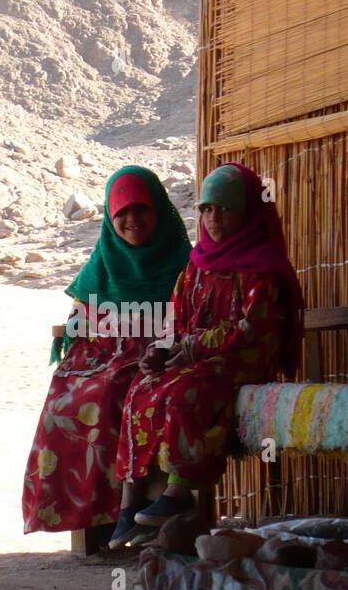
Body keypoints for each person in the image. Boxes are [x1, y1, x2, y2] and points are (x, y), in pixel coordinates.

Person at [112, 161, 304, 539]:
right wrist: (161, 351)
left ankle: (180, 488)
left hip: (244, 360)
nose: (214, 218)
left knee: (188, 390)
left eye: (225, 208)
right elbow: (177, 320)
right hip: (200, 358)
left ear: (247, 211)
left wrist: (193, 345)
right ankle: (130, 497)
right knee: (142, 387)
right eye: (206, 209)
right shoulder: (197, 265)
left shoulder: (261, 267)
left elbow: (253, 328)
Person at [22, 166, 190, 539]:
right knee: (65, 398)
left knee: (114, 389)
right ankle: (98, 518)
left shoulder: (182, 264)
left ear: (159, 211)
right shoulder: (102, 261)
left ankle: (132, 510)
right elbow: (80, 315)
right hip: (101, 354)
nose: (132, 220)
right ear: (110, 217)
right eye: (122, 212)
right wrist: (77, 331)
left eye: (142, 210)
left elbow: (190, 319)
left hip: (158, 356)